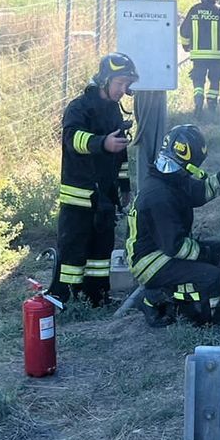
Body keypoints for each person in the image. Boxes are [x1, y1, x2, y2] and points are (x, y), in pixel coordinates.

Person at [125, 124, 220, 326]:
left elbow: (201, 191)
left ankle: (215, 302)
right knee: (213, 278)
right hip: (151, 262)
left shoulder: (172, 179)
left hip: (166, 249)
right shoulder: (158, 196)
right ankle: (158, 299)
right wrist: (215, 260)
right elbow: (177, 247)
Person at [49, 52, 137, 307]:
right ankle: (66, 297)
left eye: (126, 84)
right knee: (74, 248)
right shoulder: (79, 107)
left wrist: (124, 187)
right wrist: (101, 143)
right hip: (79, 195)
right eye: (119, 83)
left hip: (105, 196)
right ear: (105, 80)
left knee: (101, 249)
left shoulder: (113, 110)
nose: (123, 90)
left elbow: (120, 153)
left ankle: (96, 297)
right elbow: (72, 139)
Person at [179, 0, 220, 118]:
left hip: (198, 55)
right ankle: (212, 105)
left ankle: (198, 103)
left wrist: (186, 45)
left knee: (198, 80)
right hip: (217, 55)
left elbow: (184, 30)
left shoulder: (194, 10)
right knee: (215, 79)